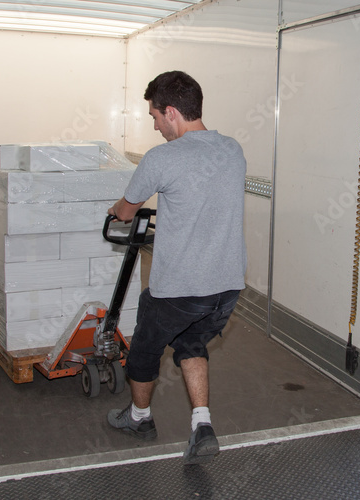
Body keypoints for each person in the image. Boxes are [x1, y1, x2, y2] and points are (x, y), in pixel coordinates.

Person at [105, 70, 247, 465]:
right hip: (227, 289)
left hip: (180, 291)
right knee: (191, 344)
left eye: (154, 117)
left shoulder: (162, 158)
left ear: (171, 112)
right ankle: (202, 425)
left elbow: (128, 207)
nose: (155, 126)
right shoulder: (232, 149)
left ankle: (139, 418)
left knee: (143, 354)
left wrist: (117, 210)